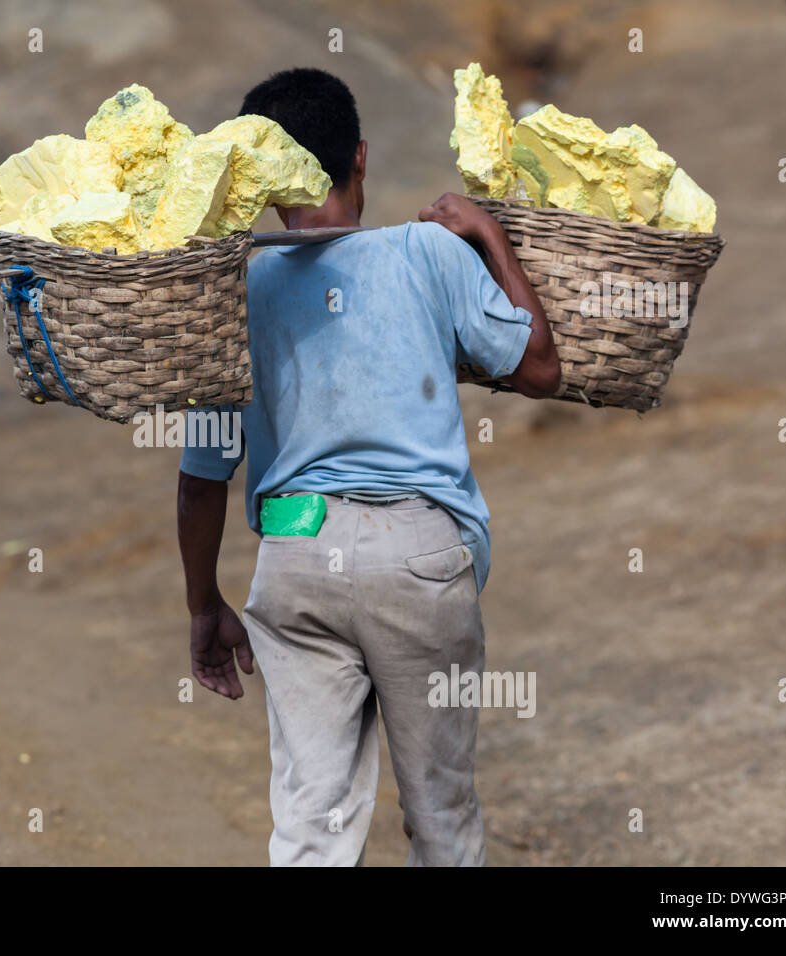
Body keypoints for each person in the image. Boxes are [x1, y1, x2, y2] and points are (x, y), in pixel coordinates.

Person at [176, 67, 561, 866]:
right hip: (419, 559)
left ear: (263, 175)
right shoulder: (426, 252)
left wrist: (203, 602)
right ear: (360, 158)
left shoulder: (229, 292)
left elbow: (203, 475)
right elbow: (539, 369)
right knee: (441, 816)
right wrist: (488, 235)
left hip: (293, 559)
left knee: (311, 826)